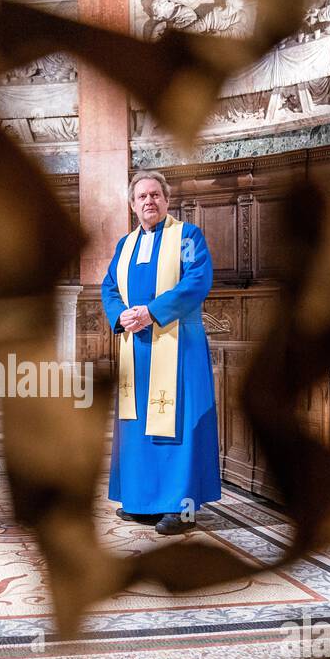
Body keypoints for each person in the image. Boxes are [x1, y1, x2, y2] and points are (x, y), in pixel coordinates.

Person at [101, 171, 221, 535]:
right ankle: (143, 501)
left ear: (167, 201)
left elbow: (196, 282)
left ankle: (179, 507)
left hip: (177, 346)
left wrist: (151, 312)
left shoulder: (186, 236)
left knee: (176, 424)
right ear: (132, 205)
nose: (149, 202)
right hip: (137, 348)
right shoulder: (125, 245)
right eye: (142, 197)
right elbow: (109, 287)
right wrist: (120, 314)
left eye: (155, 195)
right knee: (137, 427)